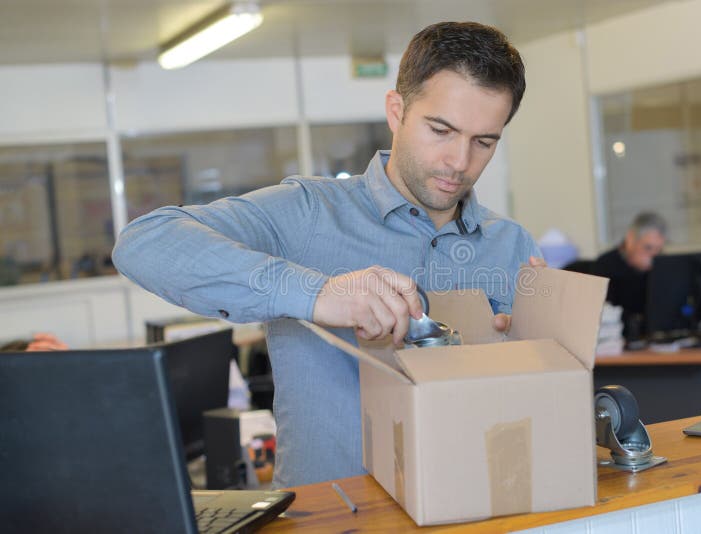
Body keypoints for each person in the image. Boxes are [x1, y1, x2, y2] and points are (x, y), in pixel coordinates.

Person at [112, 21, 543, 488]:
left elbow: (531, 414)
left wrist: (530, 356)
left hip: (474, 510)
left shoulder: (512, 245)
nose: (460, 162)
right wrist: (318, 294)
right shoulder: (308, 213)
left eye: (484, 142)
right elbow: (144, 242)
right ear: (396, 111)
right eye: (441, 130)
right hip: (331, 518)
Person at [592, 212, 667, 340]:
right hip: (615, 340)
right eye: (648, 248)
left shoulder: (661, 268)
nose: (654, 256)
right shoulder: (604, 266)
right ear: (631, 239)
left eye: (658, 250)